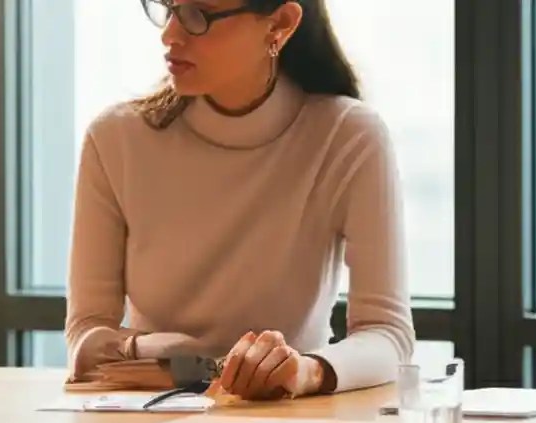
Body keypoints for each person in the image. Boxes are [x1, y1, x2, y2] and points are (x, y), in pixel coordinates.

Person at [65, 0, 414, 400]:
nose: (169, 34)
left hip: (291, 422)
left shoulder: (349, 137)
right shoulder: (115, 140)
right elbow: (86, 336)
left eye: (199, 15)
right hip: (152, 414)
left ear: (279, 24)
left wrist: (306, 372)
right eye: (168, 8)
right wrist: (164, 352)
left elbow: (388, 335)